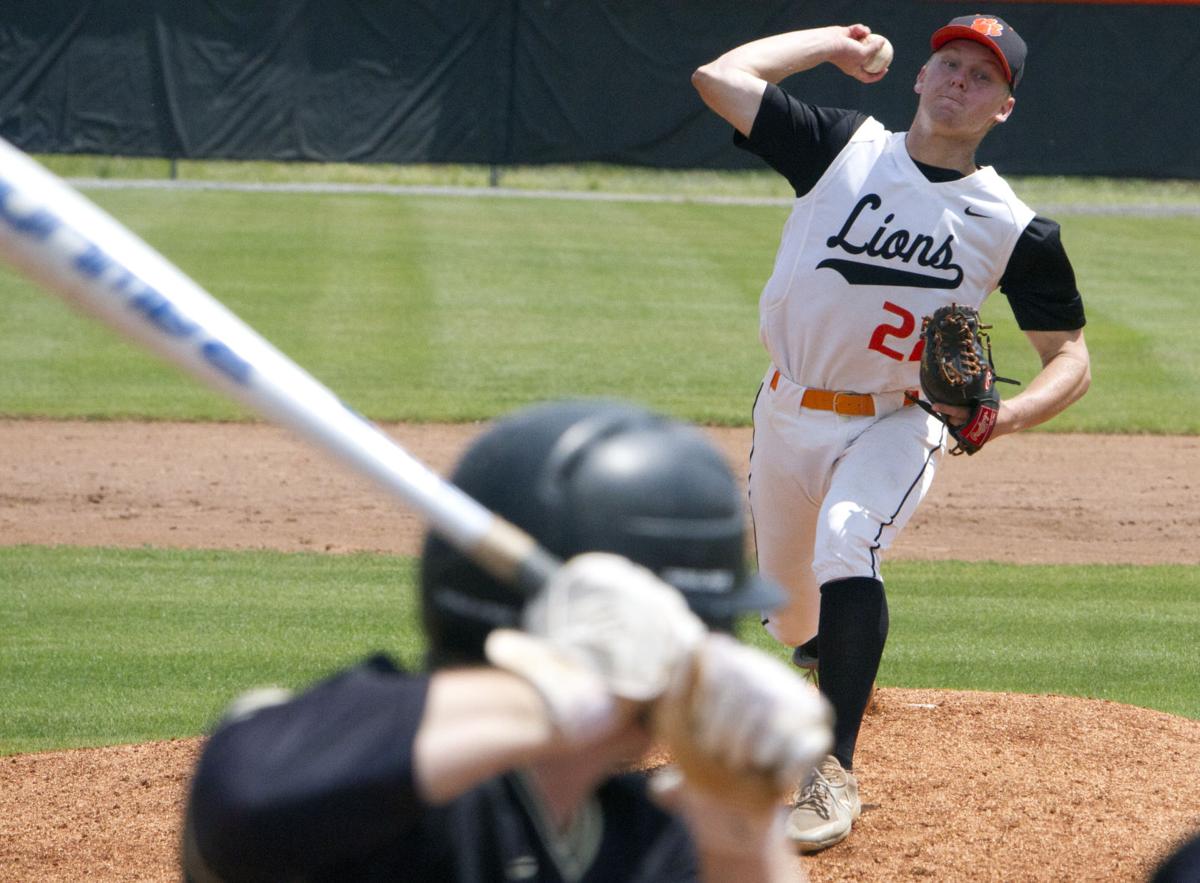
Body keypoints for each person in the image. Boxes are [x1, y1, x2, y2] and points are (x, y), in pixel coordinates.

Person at [692, 15, 1090, 852]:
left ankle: (831, 771)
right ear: (918, 76)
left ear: (1005, 107)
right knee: (791, 610)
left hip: (895, 421)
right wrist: (834, 43)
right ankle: (820, 656)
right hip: (787, 407)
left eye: (982, 76)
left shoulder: (1012, 225)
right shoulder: (842, 148)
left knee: (849, 541)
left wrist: (1006, 414)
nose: (959, 82)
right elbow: (719, 78)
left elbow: (1069, 357)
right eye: (948, 63)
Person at [182, 399, 833, 882]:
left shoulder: (646, 844)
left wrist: (742, 821)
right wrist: (566, 687)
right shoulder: (381, 811)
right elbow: (242, 800)